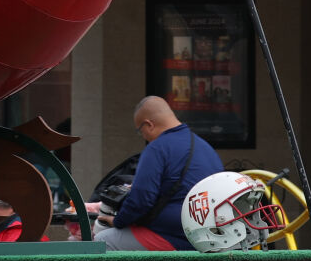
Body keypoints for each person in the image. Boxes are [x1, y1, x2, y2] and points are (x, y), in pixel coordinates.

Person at [90, 97, 222, 251]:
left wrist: (117, 221)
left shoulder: (157, 148)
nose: (144, 136)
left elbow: (141, 201)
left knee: (103, 240)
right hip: (208, 236)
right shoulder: (206, 148)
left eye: (141, 131)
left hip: (174, 236)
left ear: (148, 125)